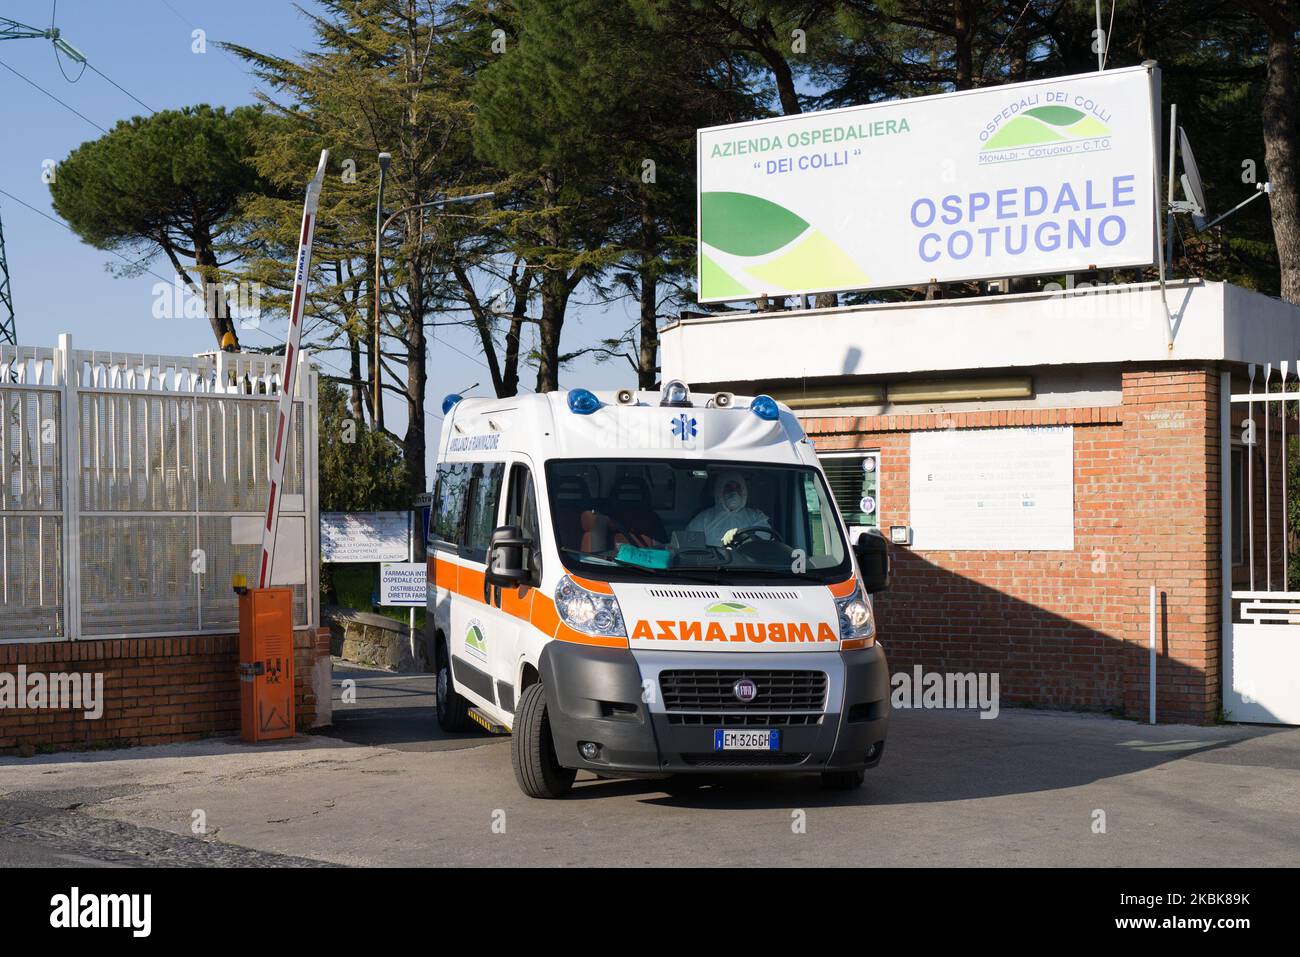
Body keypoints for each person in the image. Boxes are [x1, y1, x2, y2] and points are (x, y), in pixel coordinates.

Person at [687, 470, 770, 546]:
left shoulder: (757, 517)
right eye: (728, 487)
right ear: (719, 490)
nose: (733, 492)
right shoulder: (702, 520)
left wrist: (745, 536)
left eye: (738, 487)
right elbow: (690, 548)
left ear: (744, 491)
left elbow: (764, 542)